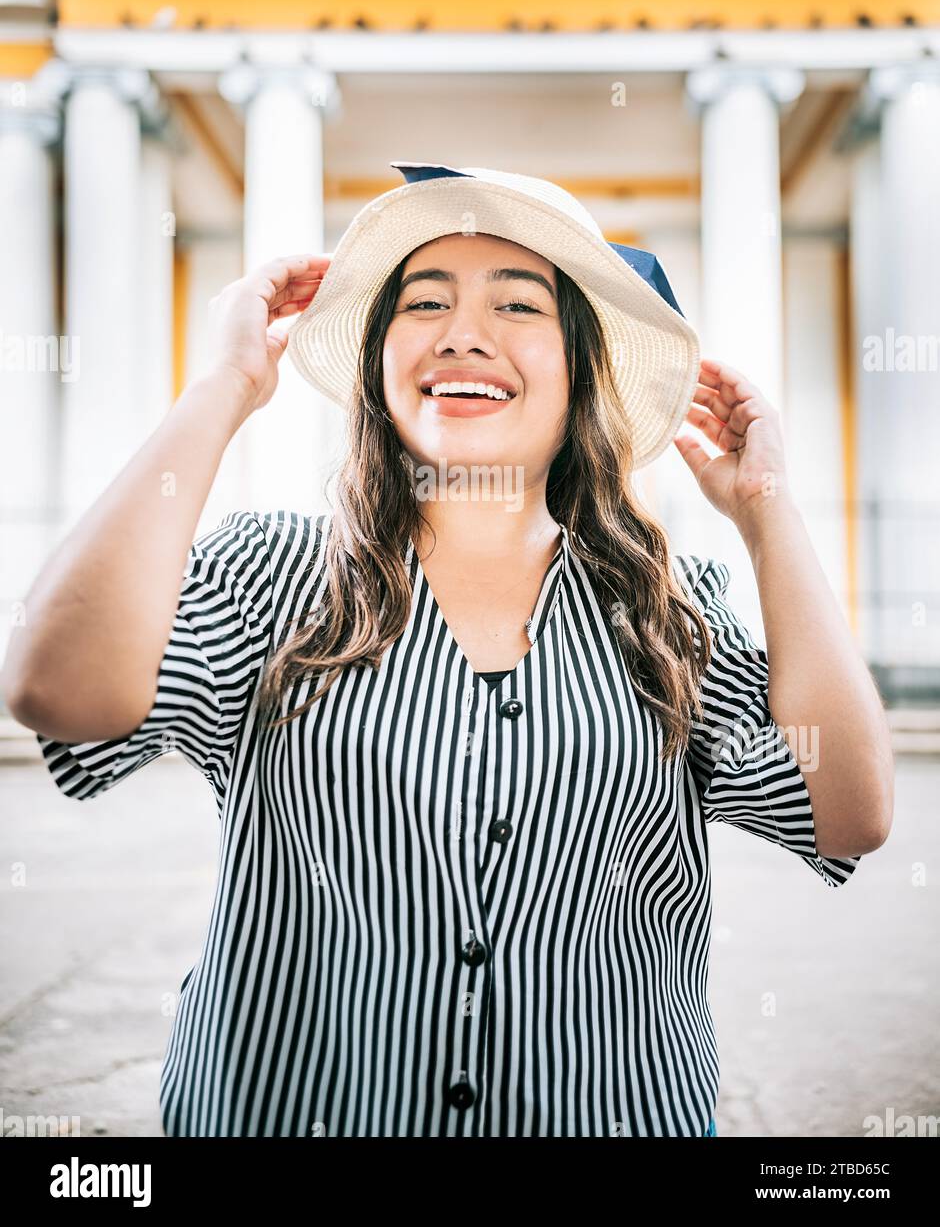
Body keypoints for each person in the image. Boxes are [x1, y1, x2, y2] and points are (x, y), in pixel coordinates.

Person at [2, 162, 893, 1138]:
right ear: (381, 365)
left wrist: (768, 517)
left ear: (581, 374)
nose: (463, 331)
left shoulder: (674, 617)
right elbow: (56, 687)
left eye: (519, 305)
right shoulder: (269, 579)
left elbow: (846, 808)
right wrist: (222, 388)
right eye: (424, 302)